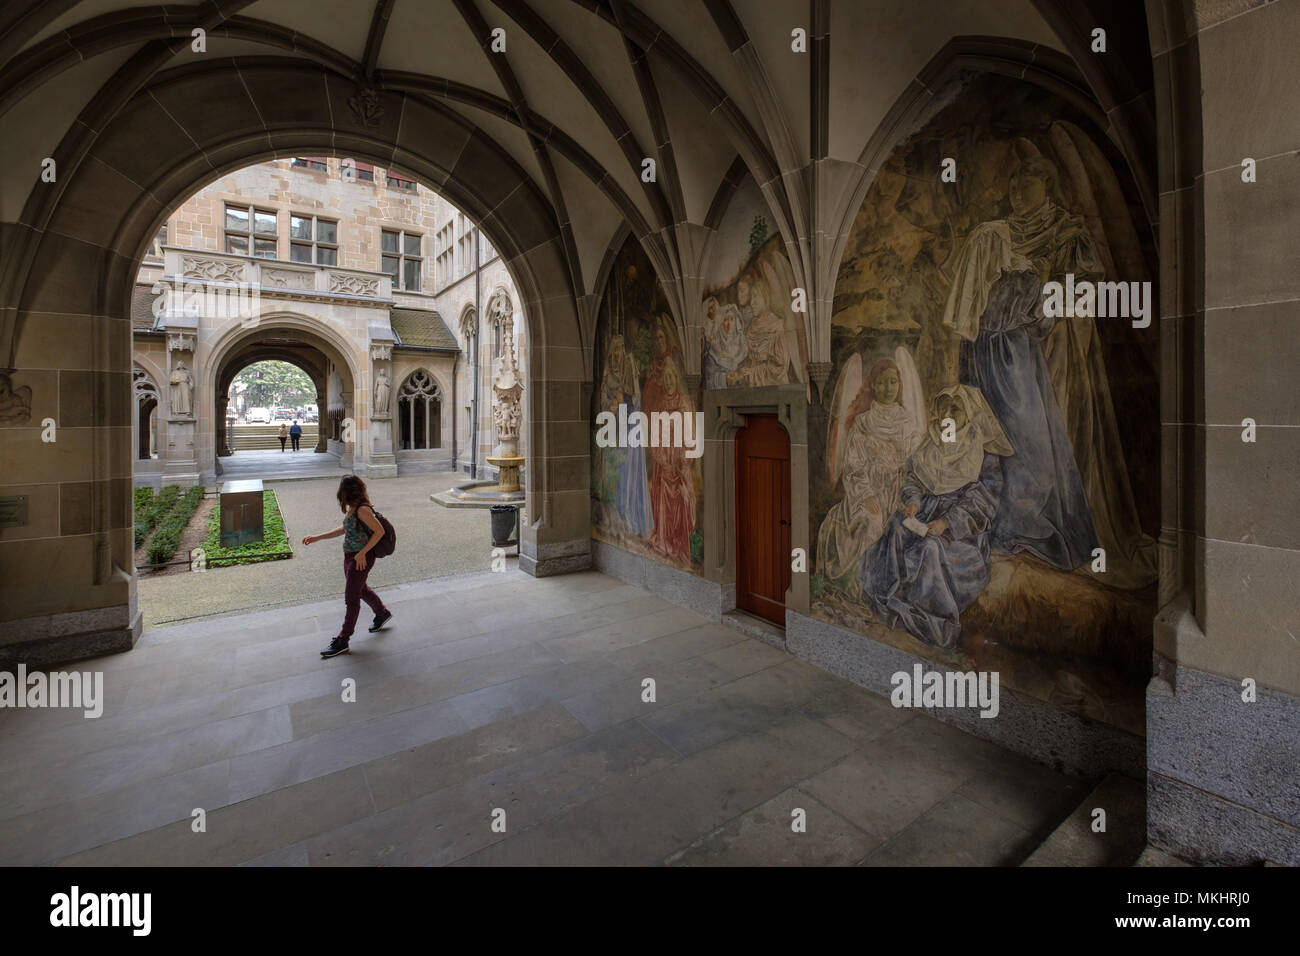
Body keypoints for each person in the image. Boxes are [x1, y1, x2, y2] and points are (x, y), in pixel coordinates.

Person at [860, 385, 1012, 649]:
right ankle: (889, 596)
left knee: (930, 548)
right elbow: (913, 478)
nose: (948, 415)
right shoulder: (932, 441)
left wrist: (947, 522)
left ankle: (928, 617)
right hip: (925, 515)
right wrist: (914, 503)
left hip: (961, 534)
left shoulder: (982, 452)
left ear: (968, 414)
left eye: (956, 409)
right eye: (945, 408)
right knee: (897, 526)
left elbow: (983, 502)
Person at [302, 475, 393, 657]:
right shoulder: (353, 508)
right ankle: (382, 613)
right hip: (350, 556)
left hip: (361, 558)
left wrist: (362, 553)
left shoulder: (362, 510)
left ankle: (343, 639)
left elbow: (379, 531)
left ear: (345, 491)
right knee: (361, 590)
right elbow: (345, 529)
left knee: (352, 599)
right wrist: (317, 537)